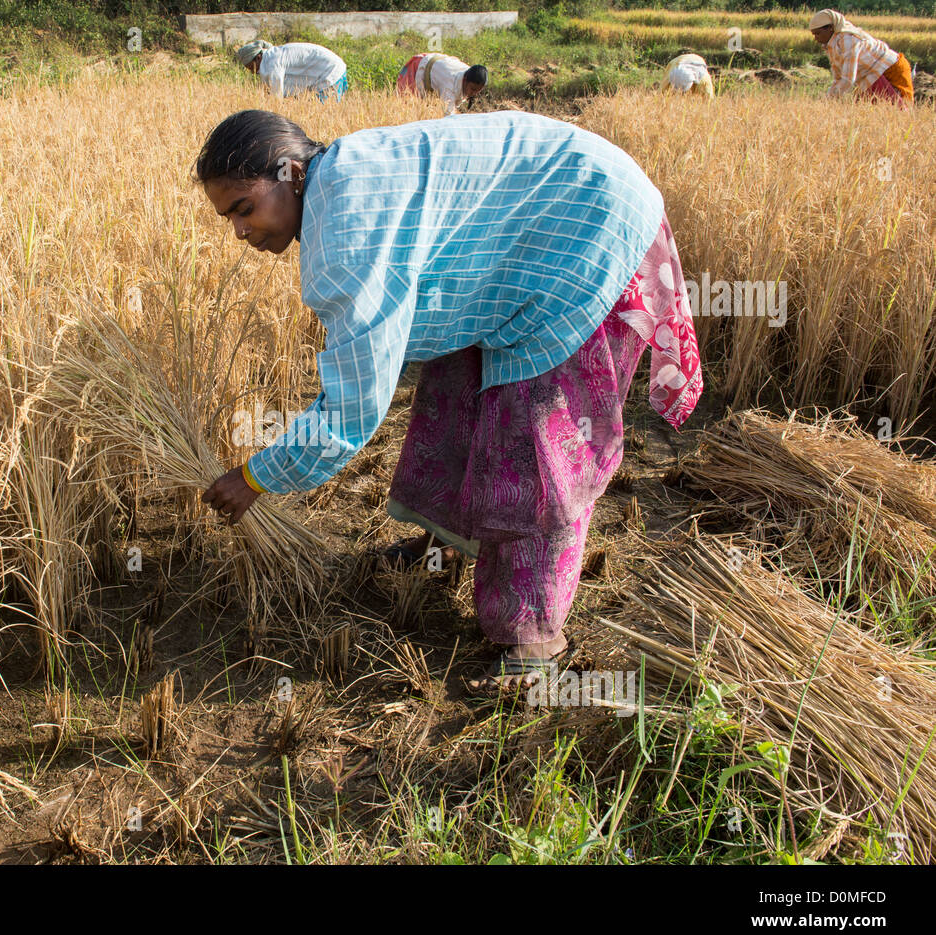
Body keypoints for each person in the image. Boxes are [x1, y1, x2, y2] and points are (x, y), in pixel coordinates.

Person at [195, 110, 702, 693]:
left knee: (533, 441)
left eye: (244, 207)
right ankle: (445, 549)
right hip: (545, 219)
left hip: (584, 230)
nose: (238, 230)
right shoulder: (337, 182)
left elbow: (350, 412)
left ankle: (533, 639)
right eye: (226, 216)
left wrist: (256, 477)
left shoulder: (346, 234)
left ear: (290, 174)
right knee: (455, 385)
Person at [809, 8, 913, 107]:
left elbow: (848, 80)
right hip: (873, 75)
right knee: (871, 110)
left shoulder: (847, 40)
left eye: (818, 33)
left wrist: (829, 100)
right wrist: (828, 98)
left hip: (891, 70)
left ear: (830, 28)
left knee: (897, 111)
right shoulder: (832, 46)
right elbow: (838, 78)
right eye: (814, 35)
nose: (816, 38)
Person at [235, 40, 348, 102]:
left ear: (258, 58)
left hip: (331, 73)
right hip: (336, 68)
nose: (252, 72)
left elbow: (277, 99)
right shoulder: (273, 55)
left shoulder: (271, 63)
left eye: (250, 67)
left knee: (325, 114)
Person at [397, 53, 488, 115]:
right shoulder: (449, 87)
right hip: (421, 67)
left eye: (478, 91)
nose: (475, 93)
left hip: (440, 64)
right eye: (473, 89)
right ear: (465, 80)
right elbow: (448, 118)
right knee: (406, 106)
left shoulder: (472, 73)